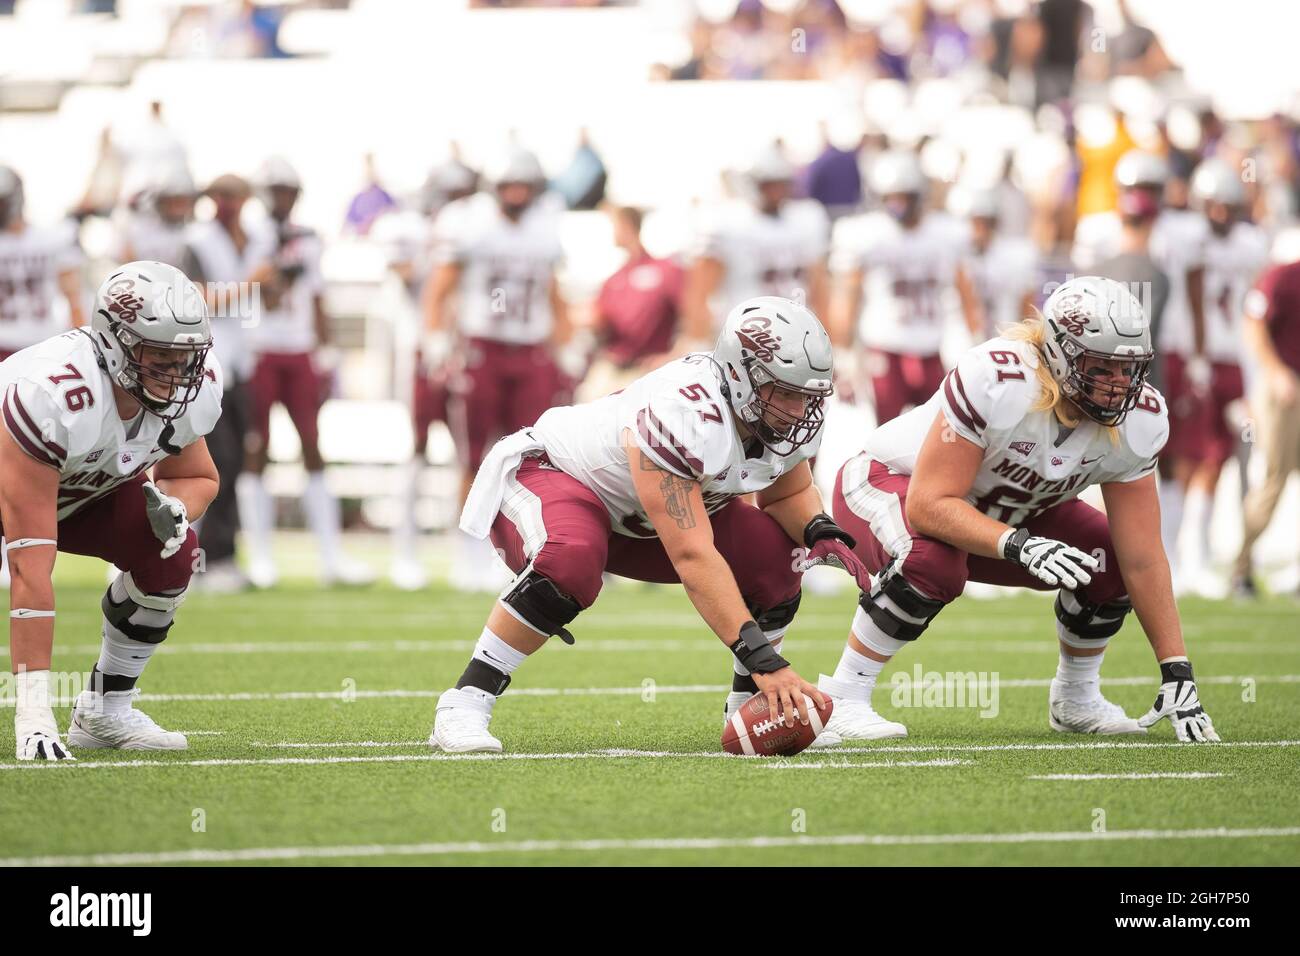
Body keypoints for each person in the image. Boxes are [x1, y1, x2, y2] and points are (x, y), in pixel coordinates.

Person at [432, 296, 867, 753]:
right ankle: (464, 703)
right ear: (741, 376)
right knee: (572, 559)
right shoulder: (684, 413)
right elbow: (693, 556)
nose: (799, 411)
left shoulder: (780, 413)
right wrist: (765, 659)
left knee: (781, 557)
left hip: (641, 517)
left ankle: (754, 708)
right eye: (786, 393)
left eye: (807, 395)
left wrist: (819, 530)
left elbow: (787, 493)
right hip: (556, 478)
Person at [820, 277, 1219, 744]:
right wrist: (1018, 544)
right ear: (1060, 352)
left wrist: (1177, 670)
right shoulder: (1000, 381)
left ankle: (1077, 697)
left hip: (1005, 512)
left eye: (1130, 369)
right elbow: (929, 506)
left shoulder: (1142, 418)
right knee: (933, 561)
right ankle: (844, 696)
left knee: (1107, 563)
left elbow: (1143, 558)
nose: (1119, 385)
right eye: (1103, 366)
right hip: (888, 485)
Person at [0, 260, 222, 759]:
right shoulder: (53, 396)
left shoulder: (192, 387)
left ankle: (105, 709)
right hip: (18, 483)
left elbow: (197, 476)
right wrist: (34, 715)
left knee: (175, 551)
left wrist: (176, 509)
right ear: (114, 342)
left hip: (75, 491)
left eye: (184, 358)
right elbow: (29, 570)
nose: (176, 374)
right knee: (33, 560)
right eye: (159, 357)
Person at [423, 146, 570, 591]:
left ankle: (515, 553)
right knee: (473, 454)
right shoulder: (472, 224)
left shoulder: (545, 228)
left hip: (529, 350)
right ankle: (468, 552)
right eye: (509, 185)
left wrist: (567, 345)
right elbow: (440, 287)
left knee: (529, 457)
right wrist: (434, 340)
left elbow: (554, 293)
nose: (517, 193)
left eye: (524, 185)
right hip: (482, 349)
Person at [237, 157, 371, 588]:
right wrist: (274, 270)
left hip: (297, 351)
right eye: (275, 191)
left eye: (288, 192)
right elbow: (257, 295)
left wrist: (326, 348)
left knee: (312, 445)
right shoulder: (249, 236)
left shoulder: (308, 238)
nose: (282, 200)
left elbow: (316, 297)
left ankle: (330, 555)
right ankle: (260, 555)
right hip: (259, 348)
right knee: (256, 446)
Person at [830, 150, 977, 425]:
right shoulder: (868, 234)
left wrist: (974, 337)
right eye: (891, 198)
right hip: (885, 347)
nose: (897, 206)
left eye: (903, 197)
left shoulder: (946, 233)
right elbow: (848, 295)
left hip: (933, 346)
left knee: (938, 429)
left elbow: (965, 290)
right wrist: (843, 352)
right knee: (884, 430)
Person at [1182, 158, 1268, 588]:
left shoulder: (1251, 243)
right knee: (1204, 455)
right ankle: (1194, 551)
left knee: (1243, 456)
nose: (1219, 214)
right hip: (1201, 360)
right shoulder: (1186, 239)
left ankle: (1235, 559)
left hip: (1240, 361)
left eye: (1226, 206)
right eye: (1213, 205)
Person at [682, 145, 829, 347]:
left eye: (781, 184)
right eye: (769, 185)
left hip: (798, 337)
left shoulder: (805, 218)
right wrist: (696, 341)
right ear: (750, 183)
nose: (777, 192)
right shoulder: (725, 223)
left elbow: (818, 284)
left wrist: (832, 340)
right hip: (746, 340)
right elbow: (700, 292)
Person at [1231, 257, 1300, 596]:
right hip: (1284, 391)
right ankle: (1241, 568)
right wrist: (1275, 372)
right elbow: (1253, 325)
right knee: (1274, 478)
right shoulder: (1283, 276)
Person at [575, 205, 683, 403]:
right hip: (612, 365)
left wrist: (675, 355)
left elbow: (692, 315)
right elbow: (601, 320)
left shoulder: (665, 271)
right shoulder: (615, 278)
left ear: (626, 226)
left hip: (646, 370)